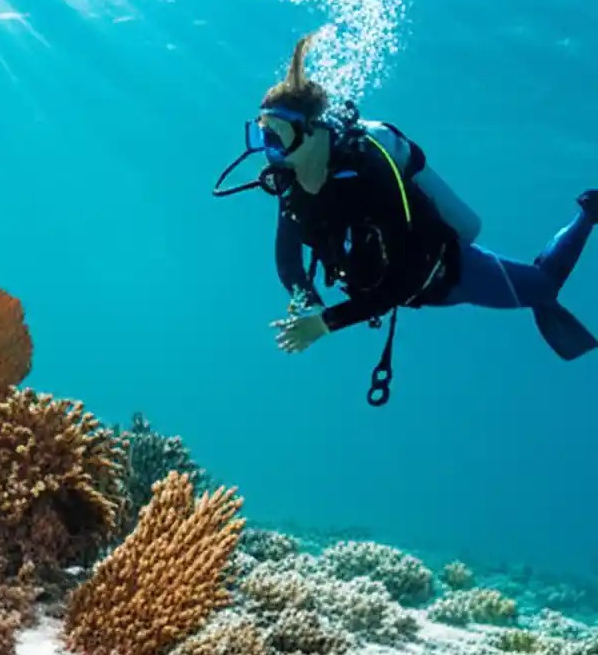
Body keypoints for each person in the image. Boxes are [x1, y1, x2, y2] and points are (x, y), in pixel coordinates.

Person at [212, 33, 597, 405]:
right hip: (399, 289)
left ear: (312, 131)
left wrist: (325, 322)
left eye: (277, 136)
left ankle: (588, 213)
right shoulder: (290, 182)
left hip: (449, 276)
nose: (269, 152)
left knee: (543, 288)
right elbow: (288, 259)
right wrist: (308, 300)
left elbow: (406, 277)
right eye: (262, 136)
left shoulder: (370, 177)